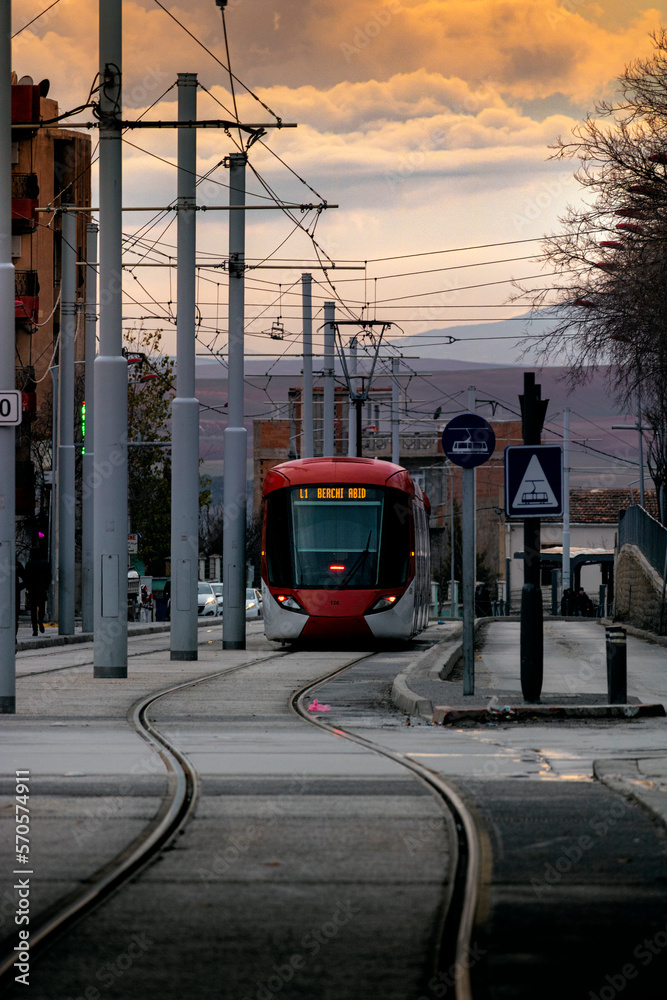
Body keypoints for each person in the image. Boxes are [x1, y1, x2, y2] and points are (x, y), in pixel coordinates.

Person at [23, 547, 51, 636]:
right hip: (42, 589)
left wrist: (27, 587)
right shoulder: (45, 564)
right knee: (42, 608)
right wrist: (46, 587)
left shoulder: (29, 564)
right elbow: (49, 576)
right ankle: (40, 620)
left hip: (32, 590)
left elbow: (26, 577)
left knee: (33, 610)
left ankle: (35, 629)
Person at [15, 559, 24, 640]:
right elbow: (26, 579)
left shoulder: (17, 564)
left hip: (14, 594)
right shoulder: (16, 564)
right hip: (14, 595)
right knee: (14, 617)